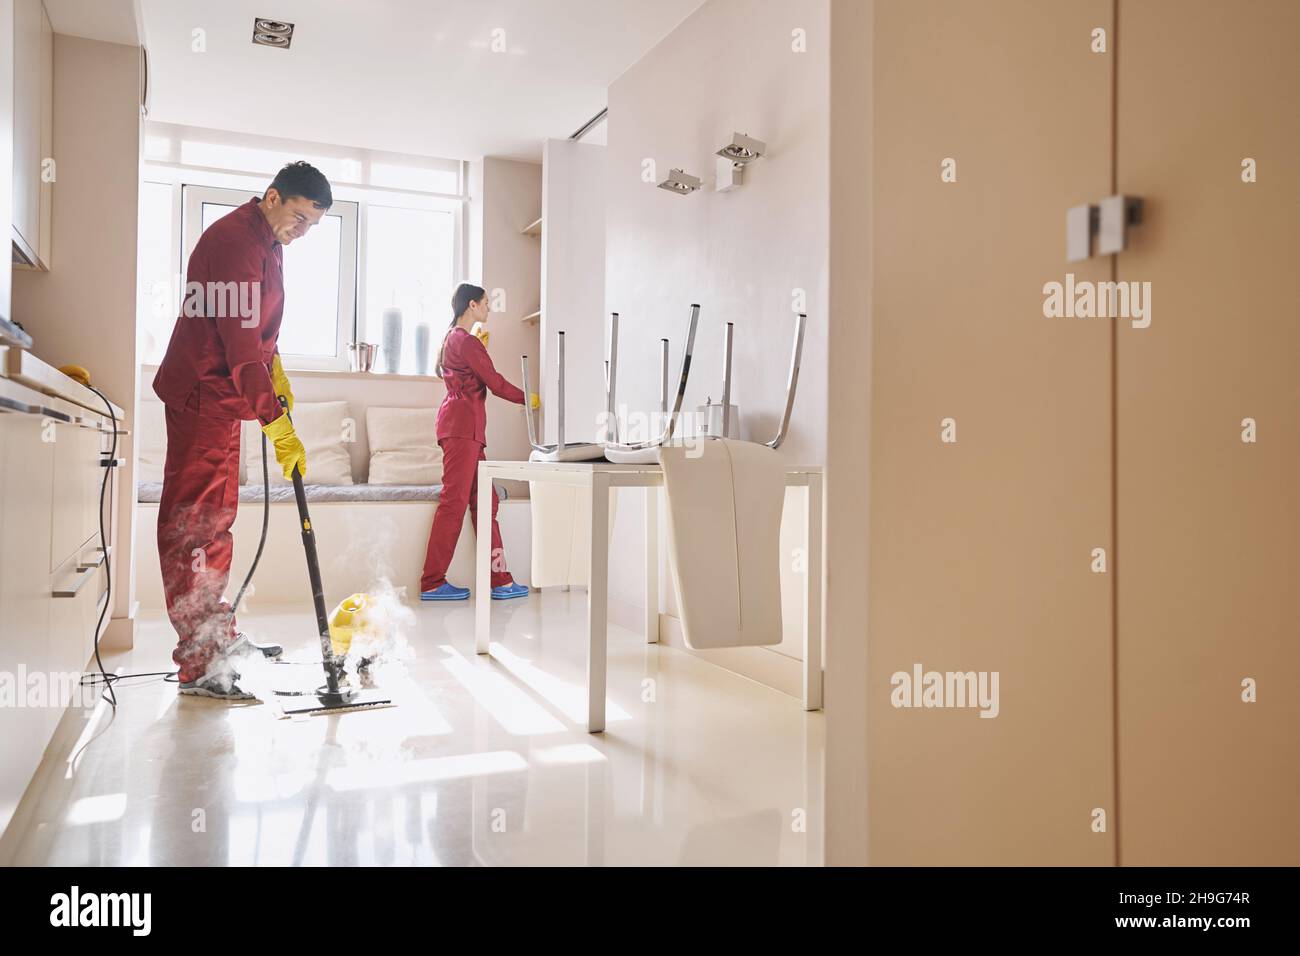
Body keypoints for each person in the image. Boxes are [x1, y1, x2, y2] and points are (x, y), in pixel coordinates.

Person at [152, 161, 331, 699]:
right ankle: (200, 662)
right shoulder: (233, 242)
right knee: (195, 529)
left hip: (223, 399)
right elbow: (237, 347)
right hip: (203, 395)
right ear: (272, 197)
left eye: (311, 227)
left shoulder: (267, 241)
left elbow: (257, 339)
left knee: (217, 522)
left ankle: (216, 633)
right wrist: (276, 423)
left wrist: (276, 372)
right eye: (298, 219)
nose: (301, 234)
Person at [420, 283, 538, 601]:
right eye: (486, 303)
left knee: (486, 503)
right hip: (462, 430)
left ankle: (499, 580)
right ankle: (432, 581)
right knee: (454, 502)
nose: (489, 309)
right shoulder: (465, 341)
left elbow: (473, 377)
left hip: (467, 431)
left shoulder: (455, 339)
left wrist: (478, 349)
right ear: (472, 305)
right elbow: (495, 383)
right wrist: (529, 399)